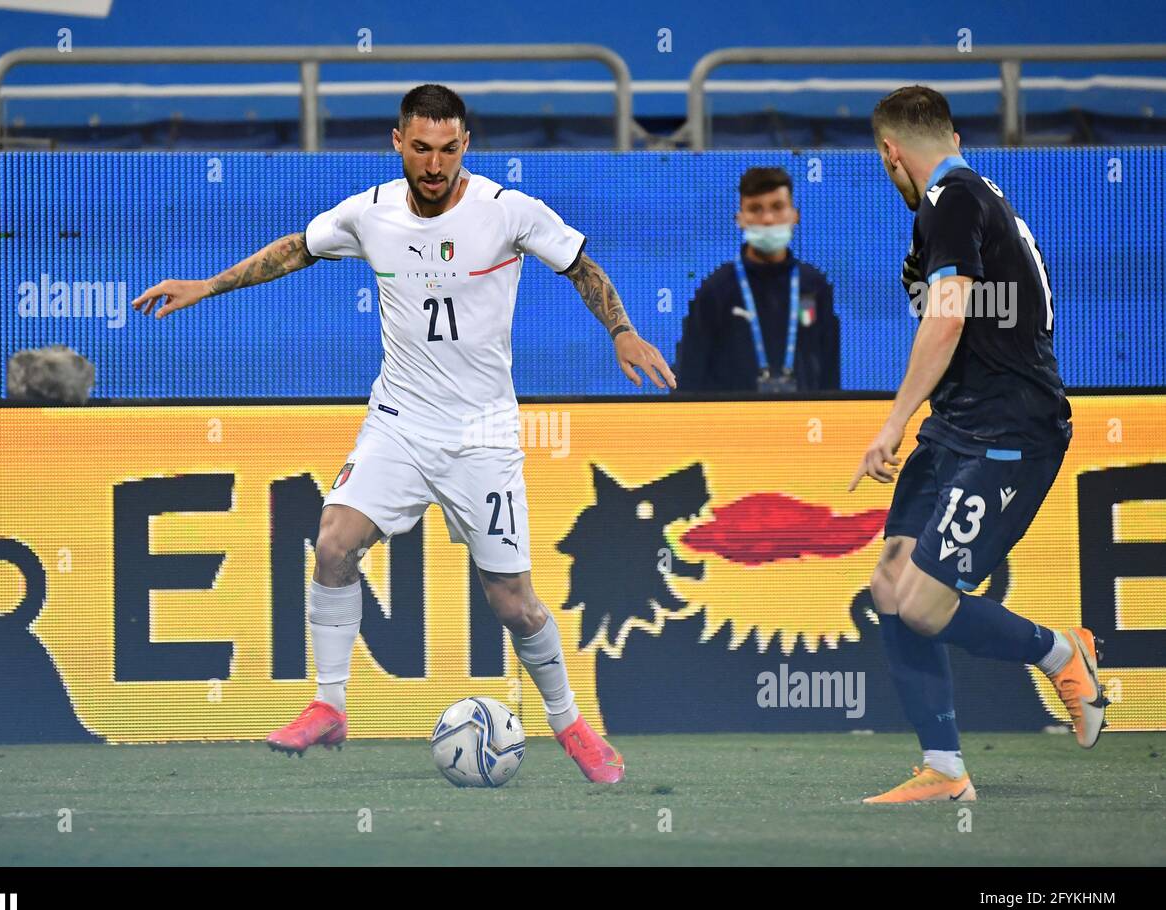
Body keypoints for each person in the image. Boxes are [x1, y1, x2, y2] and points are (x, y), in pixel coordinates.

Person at [132, 84, 675, 784]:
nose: (434, 162)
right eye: (421, 147)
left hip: (482, 434)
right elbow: (297, 249)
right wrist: (208, 285)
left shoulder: (508, 212)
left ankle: (569, 724)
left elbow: (579, 266)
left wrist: (622, 332)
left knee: (511, 598)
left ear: (466, 147)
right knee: (332, 542)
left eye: (448, 149)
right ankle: (329, 706)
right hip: (399, 423)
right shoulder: (371, 213)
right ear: (398, 143)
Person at [851, 85, 1106, 804]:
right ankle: (946, 771)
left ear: (890, 152)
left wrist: (894, 420)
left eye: (882, 163)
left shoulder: (949, 201)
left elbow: (949, 317)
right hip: (960, 424)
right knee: (890, 587)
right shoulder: (972, 194)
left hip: (1008, 432)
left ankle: (1062, 652)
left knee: (927, 605)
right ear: (953, 135)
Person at [676, 167, 839, 393]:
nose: (768, 219)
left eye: (777, 207)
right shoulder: (715, 289)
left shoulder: (814, 286)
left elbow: (829, 371)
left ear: (795, 215)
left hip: (803, 420)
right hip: (734, 422)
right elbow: (690, 376)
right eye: (755, 209)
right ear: (740, 219)